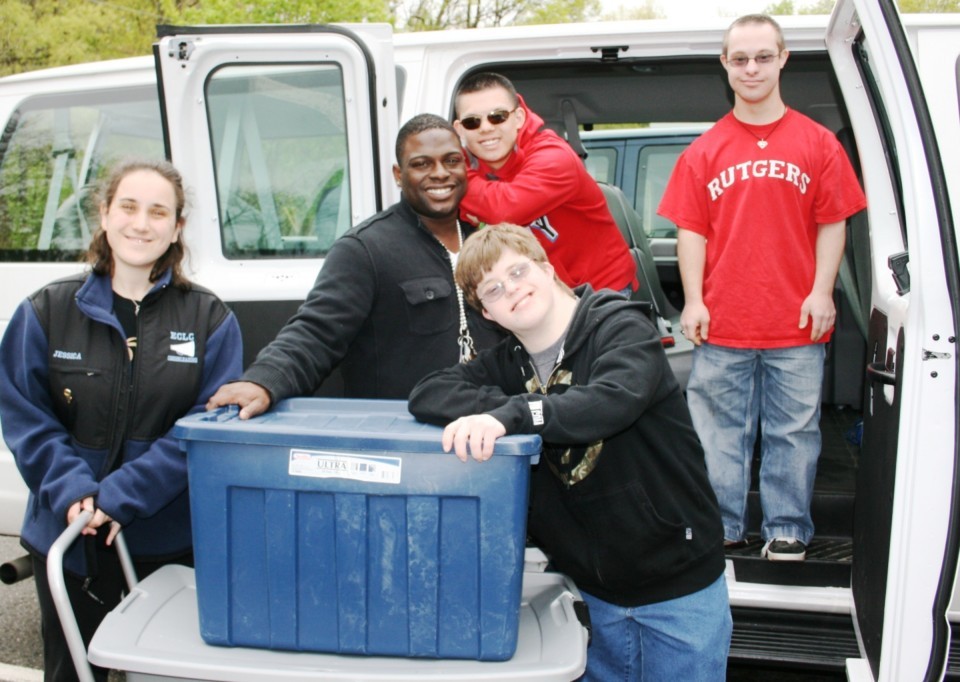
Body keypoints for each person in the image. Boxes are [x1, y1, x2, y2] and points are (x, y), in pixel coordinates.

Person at [408, 223, 730, 681]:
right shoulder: (507, 363)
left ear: (546, 268)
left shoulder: (620, 327)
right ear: (488, 314)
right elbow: (428, 393)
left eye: (518, 271)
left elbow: (612, 401)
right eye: (493, 289)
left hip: (678, 588)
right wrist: (505, 407)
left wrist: (515, 414)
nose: (511, 289)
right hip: (590, 594)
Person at [0, 159, 243, 682]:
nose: (141, 224)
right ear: (104, 214)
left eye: (158, 212)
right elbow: (26, 416)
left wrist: (121, 496)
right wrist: (71, 490)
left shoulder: (210, 319)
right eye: (128, 207)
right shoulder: (46, 310)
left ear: (177, 228)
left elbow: (207, 425)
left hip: (166, 544)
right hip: (67, 539)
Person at [657, 14, 867, 561]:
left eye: (763, 57)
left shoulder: (818, 144)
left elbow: (833, 223)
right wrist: (694, 300)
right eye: (740, 59)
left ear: (783, 59)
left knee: (793, 433)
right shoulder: (704, 151)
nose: (751, 69)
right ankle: (723, 525)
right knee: (717, 433)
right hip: (722, 322)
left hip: (796, 323)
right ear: (725, 65)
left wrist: (822, 292)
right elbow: (691, 232)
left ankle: (788, 527)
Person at [206, 114, 503, 418]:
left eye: (451, 161)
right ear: (398, 175)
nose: (440, 173)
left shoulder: (486, 243)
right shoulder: (366, 248)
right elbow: (316, 333)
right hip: (407, 432)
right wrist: (263, 382)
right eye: (421, 164)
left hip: (493, 426)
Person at [452, 72, 638, 295]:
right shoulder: (471, 168)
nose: (486, 128)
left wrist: (458, 176)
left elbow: (504, 208)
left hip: (601, 290)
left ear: (518, 118)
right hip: (540, 293)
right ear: (459, 129)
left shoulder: (553, 156)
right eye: (472, 122)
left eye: (497, 117)